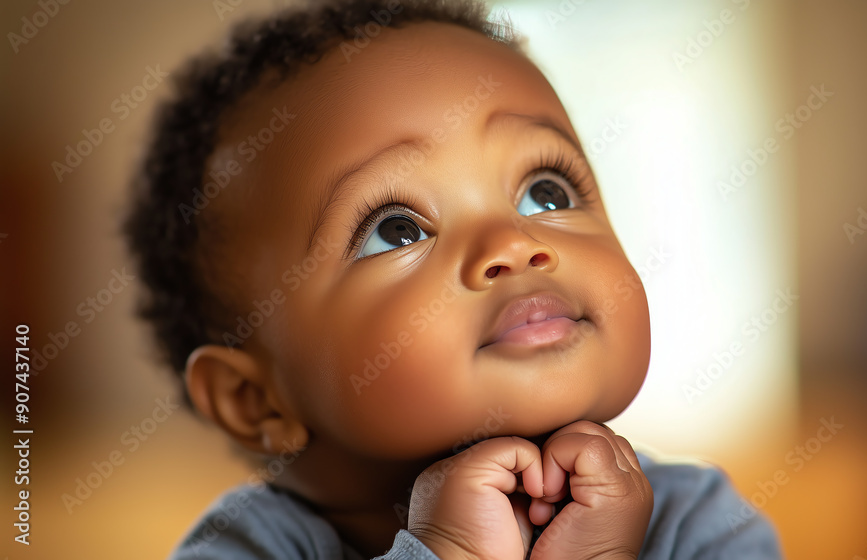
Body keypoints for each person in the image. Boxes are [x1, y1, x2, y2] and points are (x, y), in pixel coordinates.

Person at [123, 0, 783, 558]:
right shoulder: (248, 547)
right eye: (397, 229)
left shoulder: (701, 525)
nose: (514, 243)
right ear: (257, 401)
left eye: (546, 193)